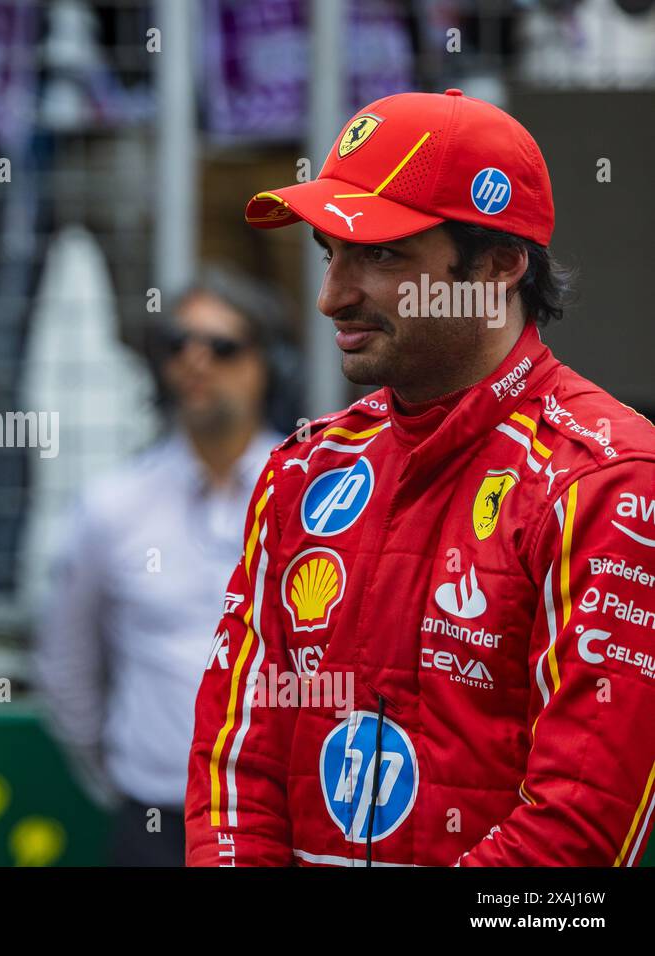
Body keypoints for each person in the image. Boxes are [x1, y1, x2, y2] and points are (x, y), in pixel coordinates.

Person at [186, 89, 655, 867]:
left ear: (500, 264)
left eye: (380, 254)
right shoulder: (303, 472)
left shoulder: (609, 483)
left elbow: (578, 831)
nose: (333, 295)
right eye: (330, 252)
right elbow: (237, 766)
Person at [37, 267, 287, 866]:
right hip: (153, 824)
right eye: (179, 344)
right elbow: (67, 665)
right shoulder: (113, 506)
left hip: (282, 821)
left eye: (222, 346)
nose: (195, 362)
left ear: (265, 364)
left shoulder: (316, 497)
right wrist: (122, 776)